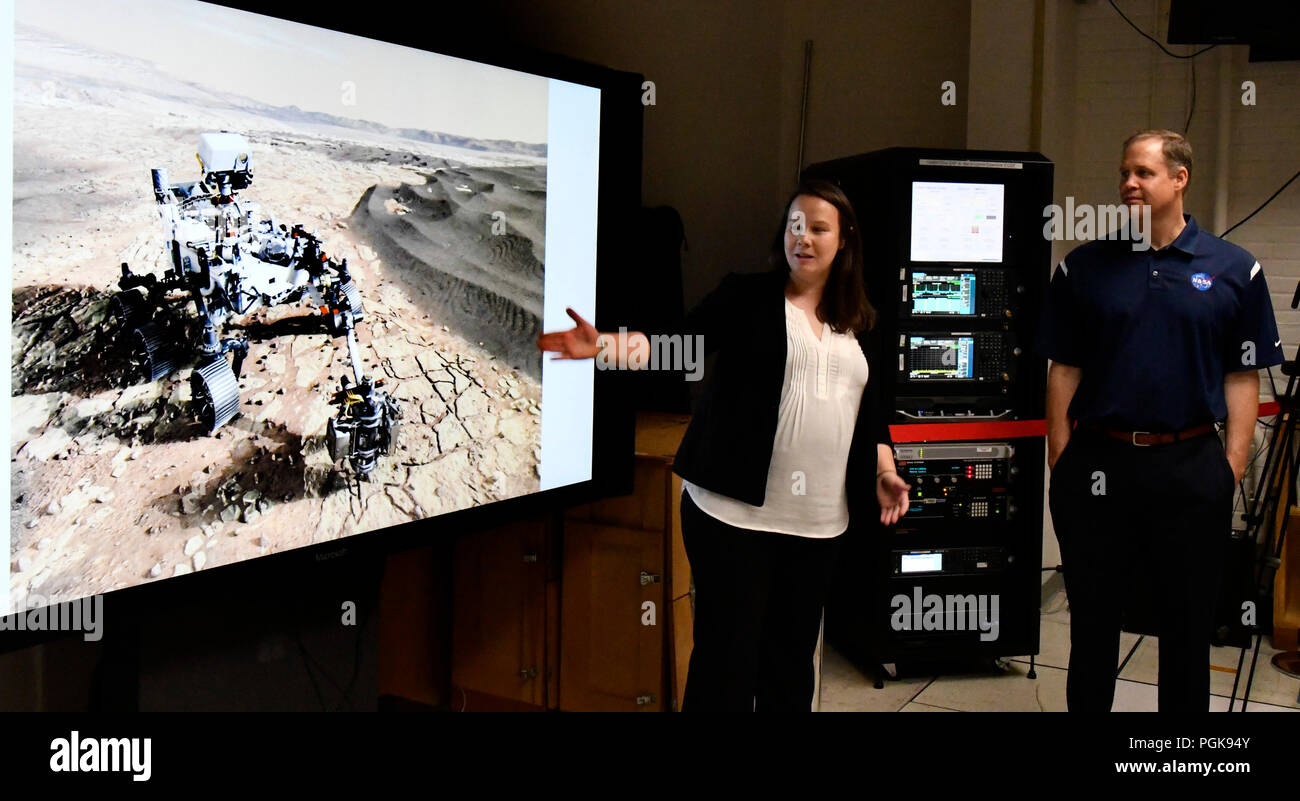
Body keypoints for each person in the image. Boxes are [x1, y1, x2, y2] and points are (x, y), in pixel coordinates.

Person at [538, 179, 910, 711]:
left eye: (818, 228)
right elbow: (673, 345)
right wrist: (602, 346)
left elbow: (868, 414)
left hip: (820, 524)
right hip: (733, 519)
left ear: (845, 238)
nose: (802, 238)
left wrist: (883, 472)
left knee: (791, 663)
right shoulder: (747, 297)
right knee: (726, 663)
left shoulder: (860, 322)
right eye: (794, 226)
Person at [1037, 129, 1284, 711]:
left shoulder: (1233, 270)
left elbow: (1242, 375)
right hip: (1098, 466)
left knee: (1186, 627)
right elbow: (1063, 369)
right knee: (1093, 623)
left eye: (1144, 173)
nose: (1128, 183)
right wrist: (1063, 459)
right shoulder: (1085, 268)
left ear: (1179, 179)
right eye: (1124, 172)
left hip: (1191, 467)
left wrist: (1232, 466)